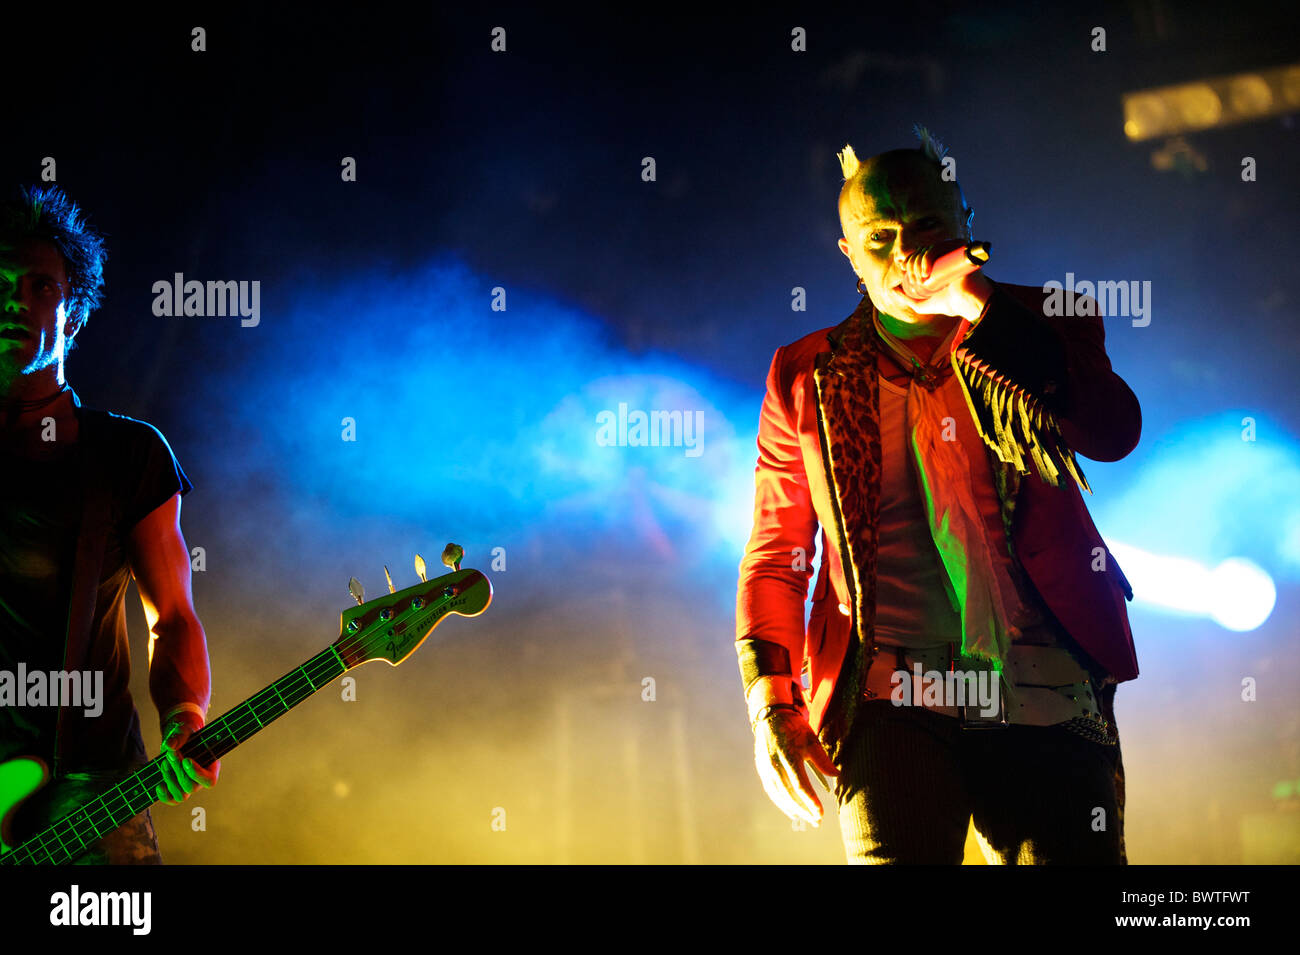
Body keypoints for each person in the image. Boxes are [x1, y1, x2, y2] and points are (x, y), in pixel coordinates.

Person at [735, 128, 1142, 864]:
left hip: (1041, 679)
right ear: (850, 257)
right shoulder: (807, 376)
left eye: (926, 225)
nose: (906, 253)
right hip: (895, 692)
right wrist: (771, 701)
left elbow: (1111, 429)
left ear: (966, 222)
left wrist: (977, 305)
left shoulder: (1049, 318)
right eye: (880, 237)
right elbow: (778, 553)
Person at [0, 185, 219, 863]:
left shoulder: (129, 454)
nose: (14, 300)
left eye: (40, 286)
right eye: (3, 284)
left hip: (95, 787)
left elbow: (173, 614)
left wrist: (185, 718)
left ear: (73, 317)